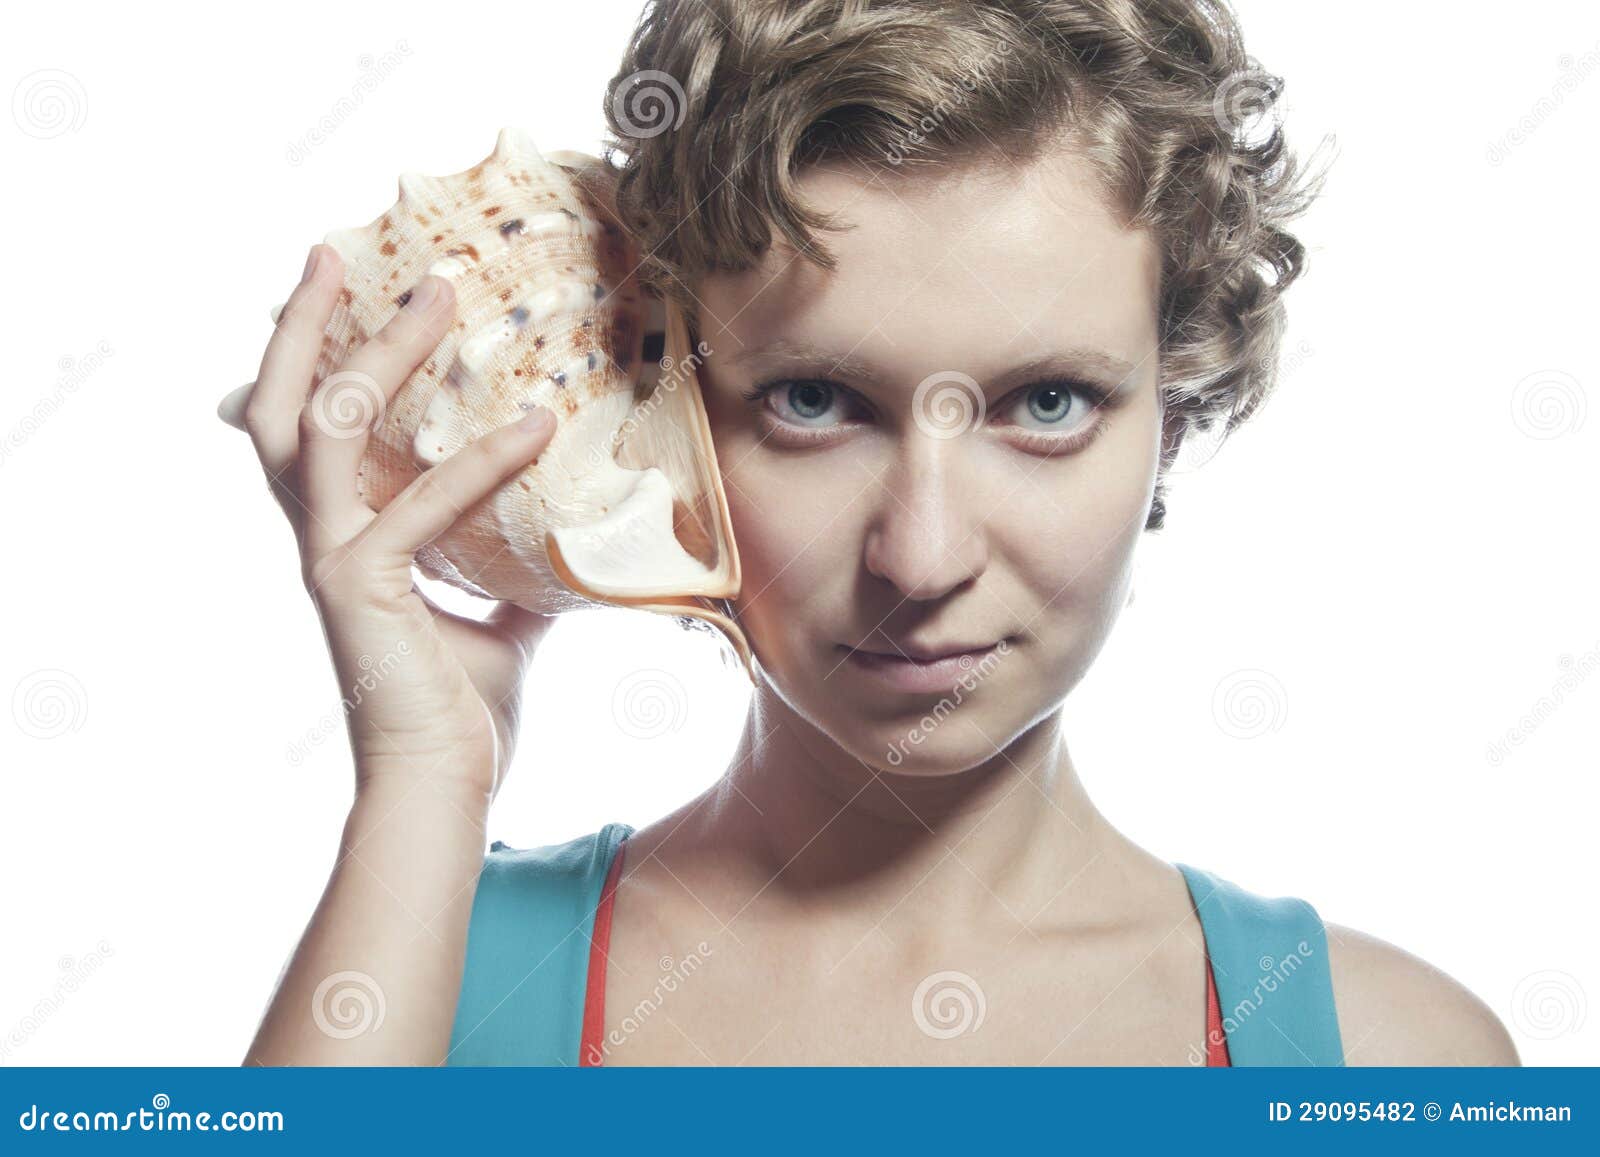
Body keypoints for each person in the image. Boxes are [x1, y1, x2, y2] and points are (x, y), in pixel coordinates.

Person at [232, 0, 1519, 1066]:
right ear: (666, 414)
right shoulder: (427, 980)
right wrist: (421, 783)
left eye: (1046, 404)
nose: (920, 554)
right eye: (812, 401)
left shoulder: (1393, 1055)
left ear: (1171, 417)